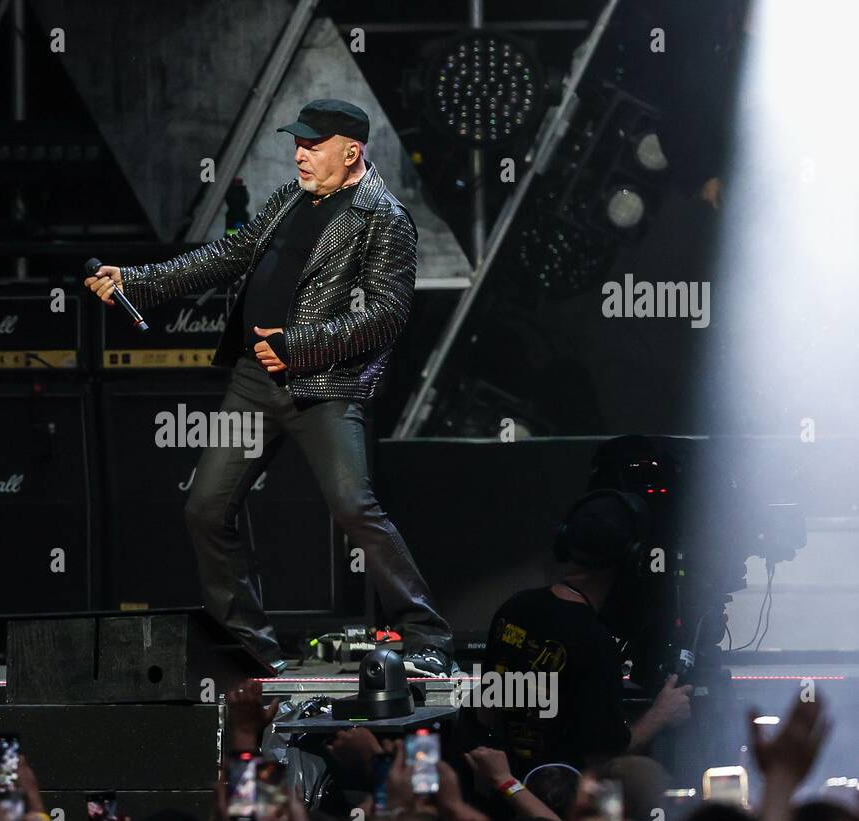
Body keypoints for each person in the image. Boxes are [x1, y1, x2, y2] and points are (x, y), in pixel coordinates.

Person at [85, 98, 452, 674]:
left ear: (350, 150)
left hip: (323, 386)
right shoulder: (287, 202)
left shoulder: (383, 217)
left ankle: (427, 637)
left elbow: (386, 314)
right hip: (255, 383)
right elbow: (225, 257)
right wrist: (136, 278)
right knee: (205, 508)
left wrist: (297, 346)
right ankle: (252, 650)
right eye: (298, 144)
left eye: (312, 145)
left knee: (354, 506)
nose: (300, 154)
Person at [480, 491, 692, 778]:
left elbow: (489, 715)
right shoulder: (593, 640)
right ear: (632, 559)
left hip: (509, 791)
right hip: (566, 806)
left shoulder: (513, 610)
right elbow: (602, 760)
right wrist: (661, 715)